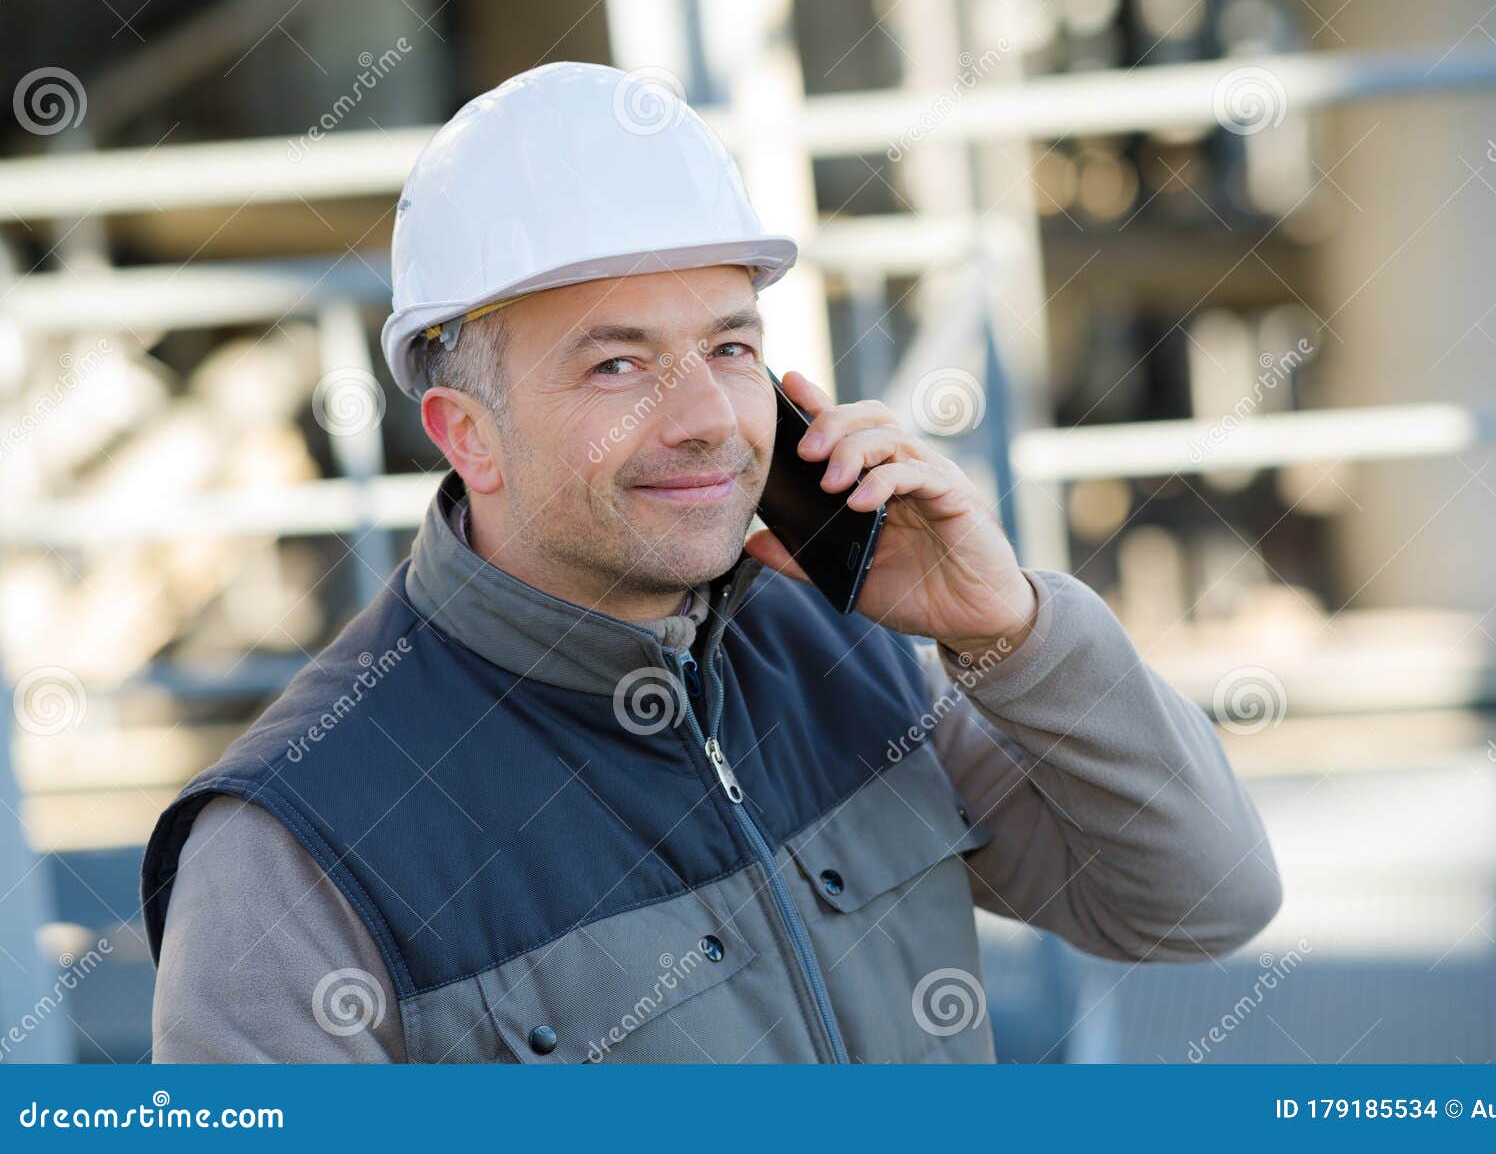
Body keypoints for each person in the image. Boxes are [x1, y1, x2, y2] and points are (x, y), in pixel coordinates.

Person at [142, 61, 1280, 1063]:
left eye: (730, 345)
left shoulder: (846, 648)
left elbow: (1199, 903)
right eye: (617, 366)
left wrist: (1009, 629)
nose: (704, 418)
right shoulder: (291, 847)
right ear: (464, 433)